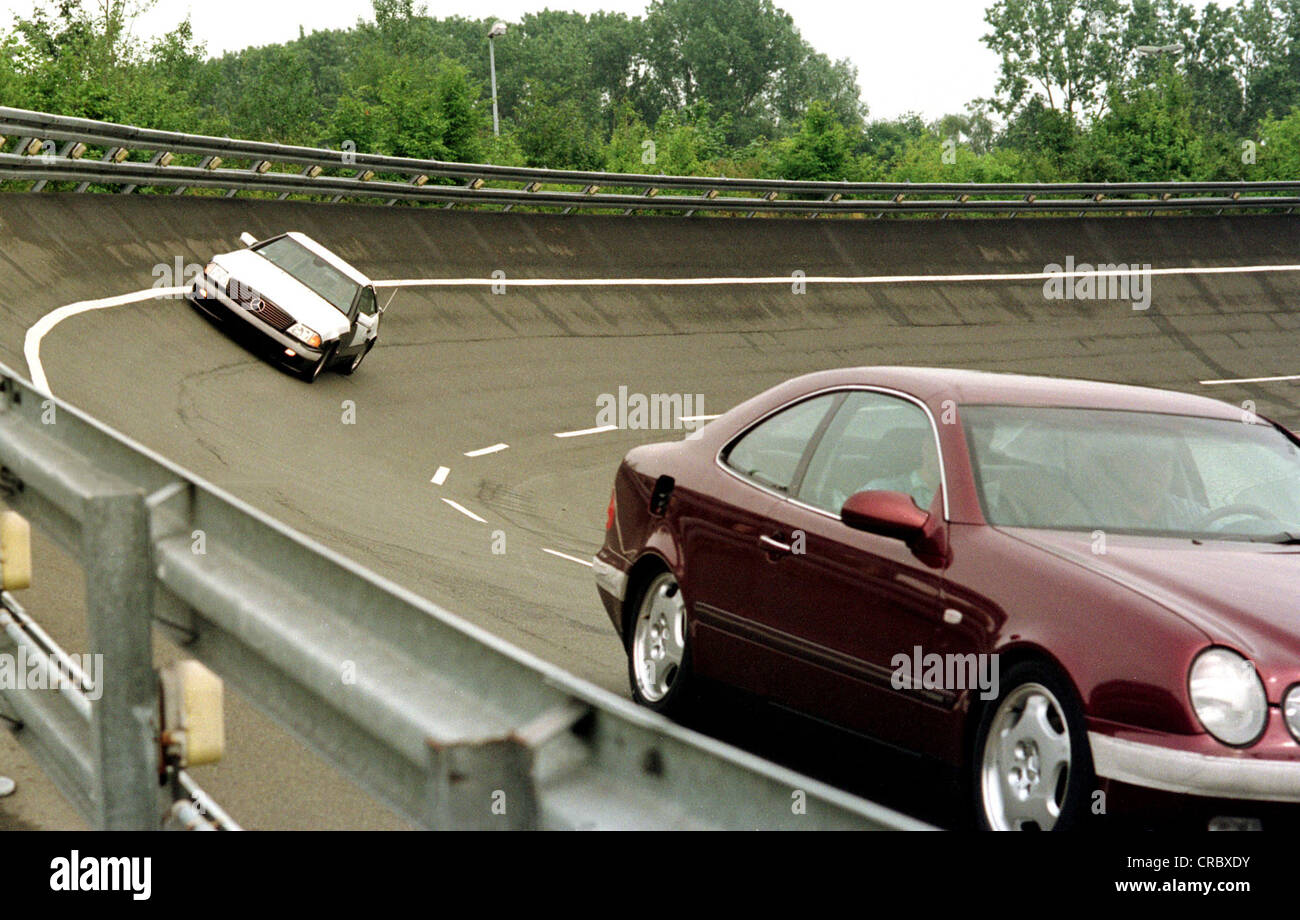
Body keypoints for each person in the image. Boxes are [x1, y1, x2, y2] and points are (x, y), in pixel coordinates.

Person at [862, 428, 941, 510]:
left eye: (954, 447)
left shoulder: (953, 496)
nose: (950, 455)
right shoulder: (883, 491)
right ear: (926, 448)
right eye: (943, 446)